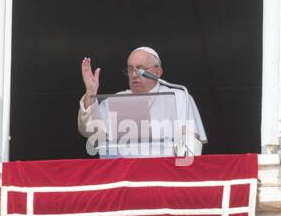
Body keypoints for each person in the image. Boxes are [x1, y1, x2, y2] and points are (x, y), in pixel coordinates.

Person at [77, 46, 207, 158]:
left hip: (167, 175)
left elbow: (192, 142)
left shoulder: (178, 96)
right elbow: (89, 130)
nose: (133, 75)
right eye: (130, 69)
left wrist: (182, 172)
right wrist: (91, 93)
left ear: (157, 72)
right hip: (125, 178)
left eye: (140, 69)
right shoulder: (117, 100)